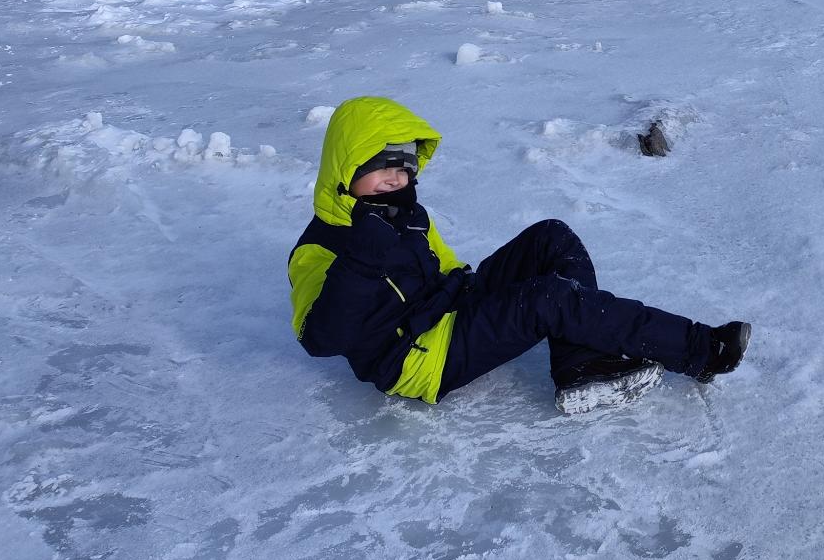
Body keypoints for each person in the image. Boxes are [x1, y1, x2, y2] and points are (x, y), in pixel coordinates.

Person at [288, 95, 748, 414]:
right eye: (379, 168)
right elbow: (319, 338)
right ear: (345, 169)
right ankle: (702, 351)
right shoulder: (320, 247)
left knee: (551, 238)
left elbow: (443, 264)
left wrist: (480, 294)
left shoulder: (405, 213)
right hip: (417, 358)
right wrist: (361, 260)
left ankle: (580, 364)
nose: (395, 180)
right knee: (546, 299)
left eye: (403, 169)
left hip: (448, 309)